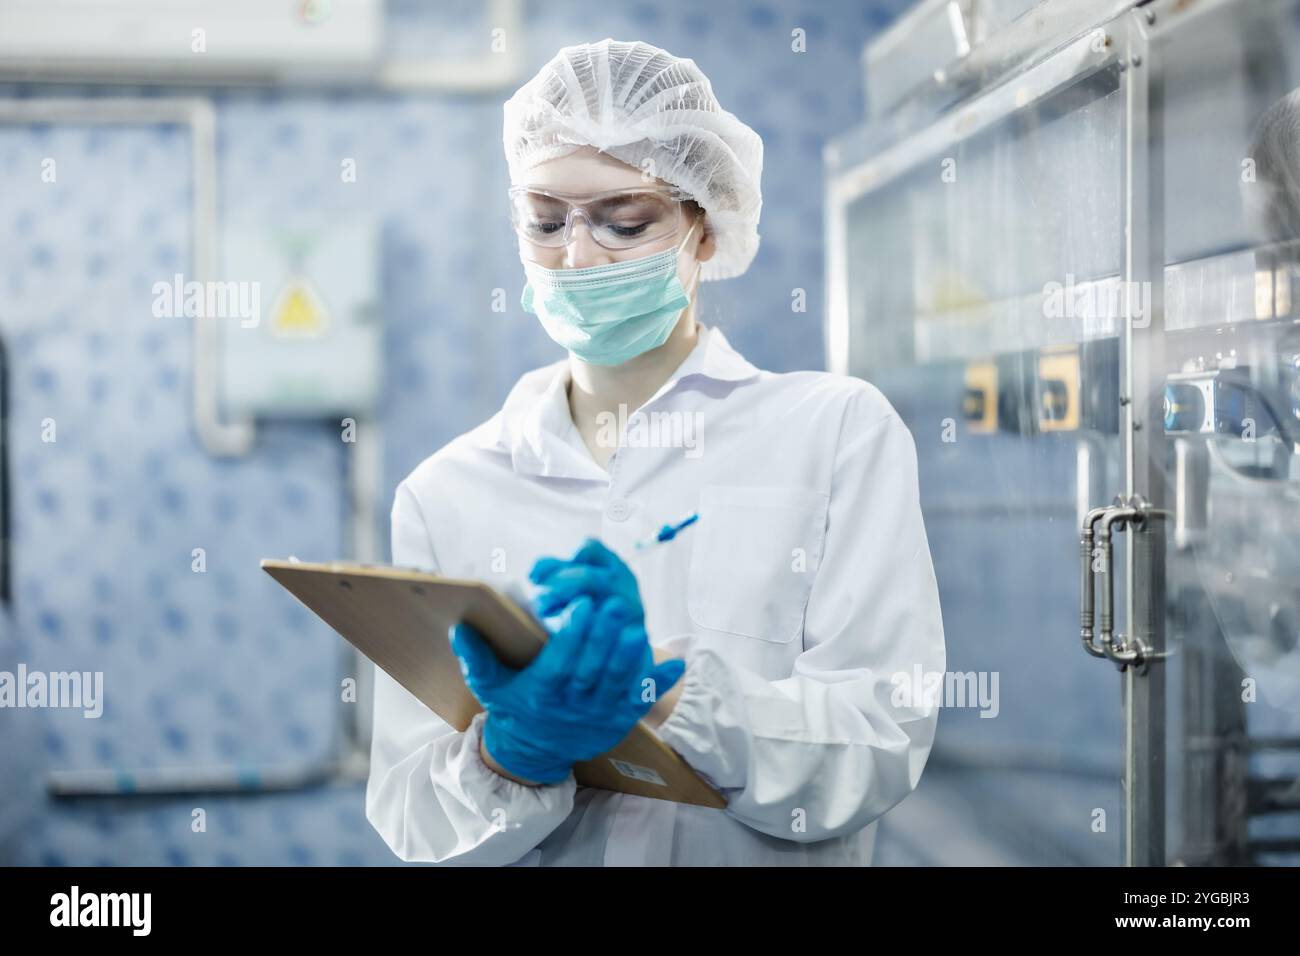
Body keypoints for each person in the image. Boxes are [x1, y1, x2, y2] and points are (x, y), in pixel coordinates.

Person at [366, 38, 946, 866]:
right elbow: (412, 815)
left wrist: (669, 699)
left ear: (703, 229)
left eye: (623, 221)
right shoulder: (446, 491)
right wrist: (513, 754)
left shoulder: (836, 431)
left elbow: (880, 739)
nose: (577, 254)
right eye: (544, 220)